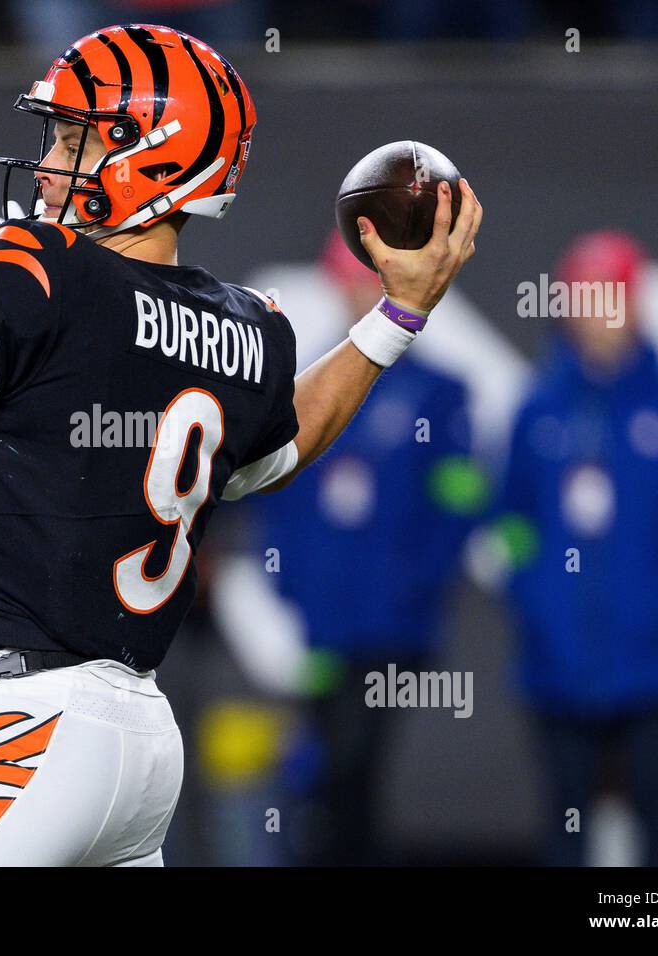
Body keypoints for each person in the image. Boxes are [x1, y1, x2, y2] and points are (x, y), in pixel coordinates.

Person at [0, 23, 482, 866]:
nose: (45, 164)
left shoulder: (41, 265)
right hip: (141, 743)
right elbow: (283, 450)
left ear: (154, 155)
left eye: (73, 138)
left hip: (28, 726)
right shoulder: (246, 323)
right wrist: (395, 319)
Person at [239, 235, 485, 864]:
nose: (358, 291)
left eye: (369, 279)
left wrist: (417, 586)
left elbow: (458, 506)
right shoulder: (309, 385)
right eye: (348, 278)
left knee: (353, 770)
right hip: (320, 624)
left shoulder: (438, 394)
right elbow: (275, 499)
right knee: (327, 772)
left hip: (393, 627)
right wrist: (289, 587)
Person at [496, 230, 658, 866]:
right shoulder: (538, 411)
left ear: (635, 303)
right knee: (564, 813)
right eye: (584, 298)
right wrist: (532, 592)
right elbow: (509, 517)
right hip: (556, 659)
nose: (597, 314)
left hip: (651, 655)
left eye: (611, 297)